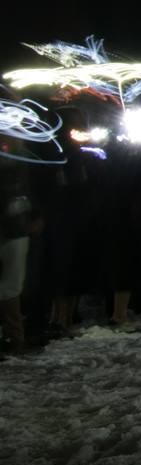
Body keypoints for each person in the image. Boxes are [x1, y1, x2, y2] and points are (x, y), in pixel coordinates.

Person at [0, 147, 37, 353]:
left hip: (14, 228)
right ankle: (14, 337)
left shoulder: (18, 159)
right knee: (11, 285)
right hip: (14, 228)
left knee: (11, 285)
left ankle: (14, 337)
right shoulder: (18, 160)